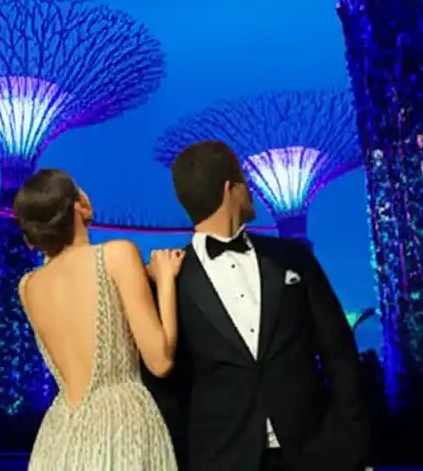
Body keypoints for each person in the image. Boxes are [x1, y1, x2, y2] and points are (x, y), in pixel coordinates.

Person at [147, 140, 371, 471]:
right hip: (222, 459)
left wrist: (356, 449)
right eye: (243, 181)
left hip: (315, 452)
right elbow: (167, 391)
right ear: (230, 189)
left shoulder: (292, 258)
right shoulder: (171, 282)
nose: (249, 189)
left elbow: (339, 352)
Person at [14, 168, 183, 471]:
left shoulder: (28, 286)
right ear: (78, 207)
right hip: (120, 427)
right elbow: (160, 360)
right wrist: (166, 279)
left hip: (59, 435)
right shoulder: (116, 255)